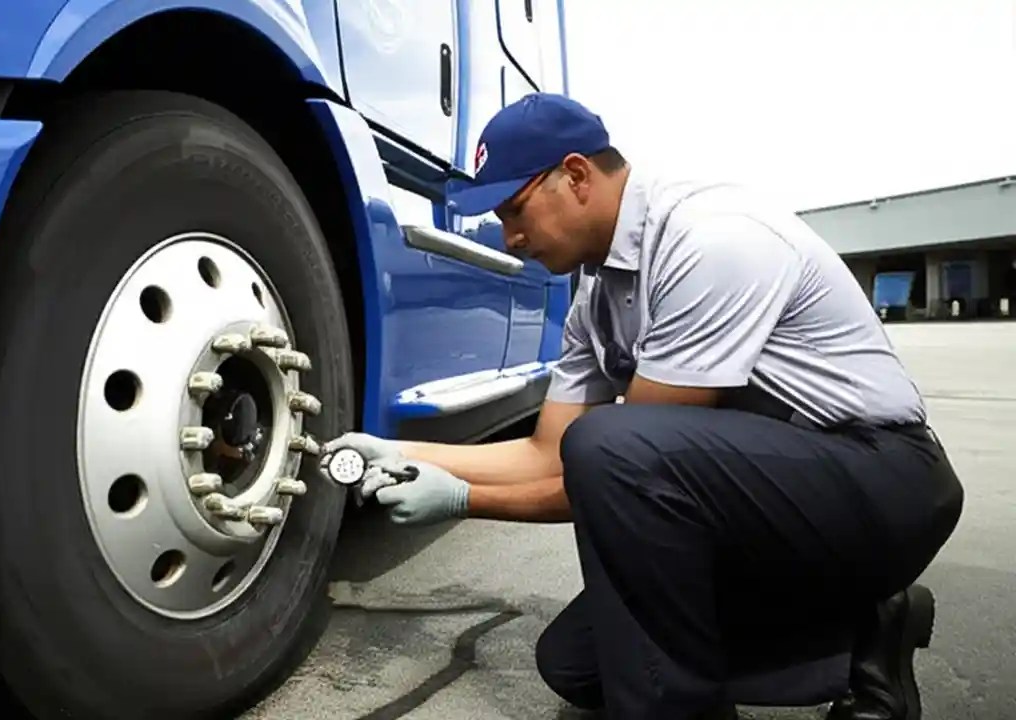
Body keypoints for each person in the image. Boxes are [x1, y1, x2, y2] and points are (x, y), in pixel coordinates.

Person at [322, 93, 964, 720]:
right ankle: (867, 640)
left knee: (614, 447)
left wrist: (463, 499)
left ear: (575, 175)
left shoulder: (707, 240)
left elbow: (624, 475)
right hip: (776, 495)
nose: (510, 237)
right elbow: (546, 451)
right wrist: (400, 452)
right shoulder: (596, 304)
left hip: (884, 482)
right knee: (576, 663)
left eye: (514, 210)